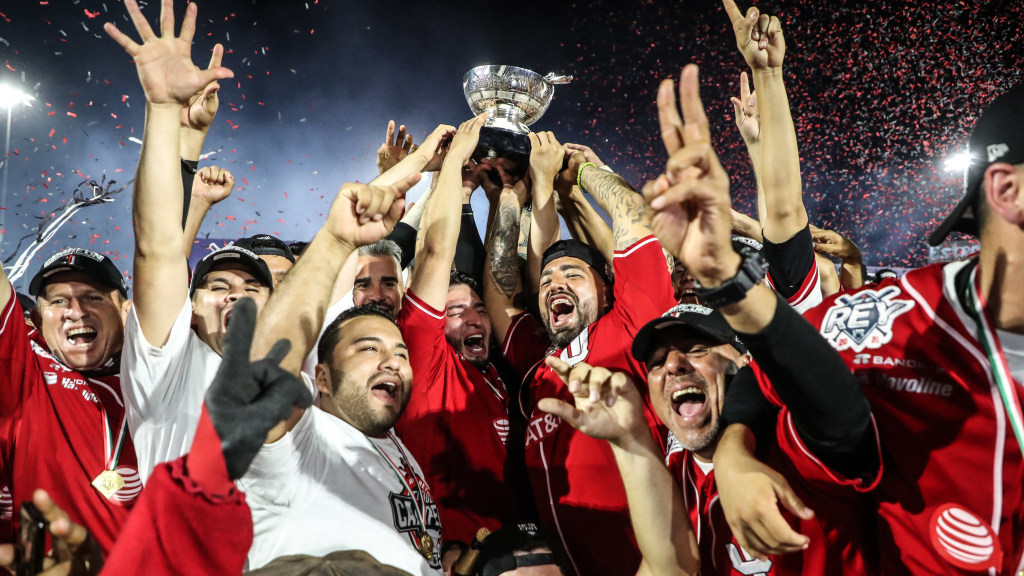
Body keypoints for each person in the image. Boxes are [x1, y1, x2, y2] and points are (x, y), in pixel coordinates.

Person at [643, 27, 1024, 576]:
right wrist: (734, 451)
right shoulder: (901, 319)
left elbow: (783, 219)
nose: (676, 363)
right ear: (1007, 192)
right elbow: (773, 373)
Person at [484, 141, 676, 575]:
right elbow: (499, 292)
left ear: (607, 291)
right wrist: (511, 196)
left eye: (573, 274)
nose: (555, 284)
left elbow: (633, 213)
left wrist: (585, 170)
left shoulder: (633, 325)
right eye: (548, 279)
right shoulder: (537, 360)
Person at [393, 115, 519, 548]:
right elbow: (432, 254)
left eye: (479, 310)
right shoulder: (428, 364)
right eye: (455, 311)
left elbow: (502, 278)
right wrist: (447, 174)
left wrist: (501, 198)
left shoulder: (502, 374)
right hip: (446, 553)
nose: (472, 318)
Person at [0, 247, 138, 554]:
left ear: (125, 311)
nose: (75, 311)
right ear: (36, 319)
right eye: (59, 300)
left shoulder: (159, 375)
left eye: (93, 297)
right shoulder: (26, 371)